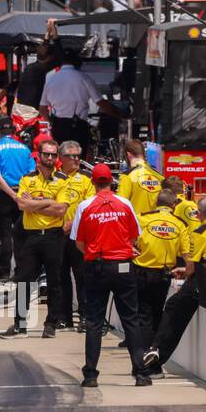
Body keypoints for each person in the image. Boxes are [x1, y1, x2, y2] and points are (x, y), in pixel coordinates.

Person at [68, 163, 150, 387]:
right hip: (123, 266)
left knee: (94, 321)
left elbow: (79, 243)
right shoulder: (124, 203)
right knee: (131, 319)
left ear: (93, 182)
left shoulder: (85, 206)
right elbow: (135, 237)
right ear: (111, 182)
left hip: (97, 266)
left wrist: (96, 255)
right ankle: (141, 373)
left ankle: (91, 375)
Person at [142, 197, 206, 376]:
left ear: (199, 214)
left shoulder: (199, 232)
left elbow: (192, 267)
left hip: (205, 283)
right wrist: (185, 271)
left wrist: (185, 272)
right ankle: (155, 352)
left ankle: (156, 353)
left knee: (173, 307)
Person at [0, 138, 68, 338]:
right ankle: (20, 325)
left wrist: (35, 203)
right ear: (39, 155)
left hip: (54, 237)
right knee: (23, 281)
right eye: (46, 153)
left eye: (54, 154)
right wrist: (48, 202)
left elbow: (61, 210)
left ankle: (51, 324)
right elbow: (21, 205)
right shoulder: (27, 179)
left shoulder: (62, 179)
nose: (50, 157)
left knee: (55, 281)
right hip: (31, 237)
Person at [133, 190, 188, 349]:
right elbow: (186, 254)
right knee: (158, 312)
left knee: (143, 314)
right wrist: (190, 272)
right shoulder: (179, 223)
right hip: (164, 274)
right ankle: (153, 354)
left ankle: (143, 355)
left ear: (156, 203)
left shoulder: (142, 217)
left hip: (141, 271)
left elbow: (126, 238)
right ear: (173, 205)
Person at [0, 117, 34, 280]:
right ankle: (23, 270)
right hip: (23, 193)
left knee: (5, 234)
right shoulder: (24, 148)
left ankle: (5, 270)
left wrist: (11, 195)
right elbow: (31, 174)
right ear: (13, 131)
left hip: (4, 194)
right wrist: (21, 194)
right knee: (22, 233)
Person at [54, 140, 94, 330]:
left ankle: (85, 316)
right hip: (57, 234)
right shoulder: (53, 177)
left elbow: (89, 205)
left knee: (82, 276)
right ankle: (64, 317)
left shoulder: (86, 177)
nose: (77, 159)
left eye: (79, 155)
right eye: (72, 156)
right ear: (61, 158)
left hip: (79, 235)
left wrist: (72, 224)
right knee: (61, 276)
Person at [117, 139, 164, 215]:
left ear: (128, 154)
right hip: (154, 224)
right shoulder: (159, 176)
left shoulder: (128, 176)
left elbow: (120, 204)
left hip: (136, 224)